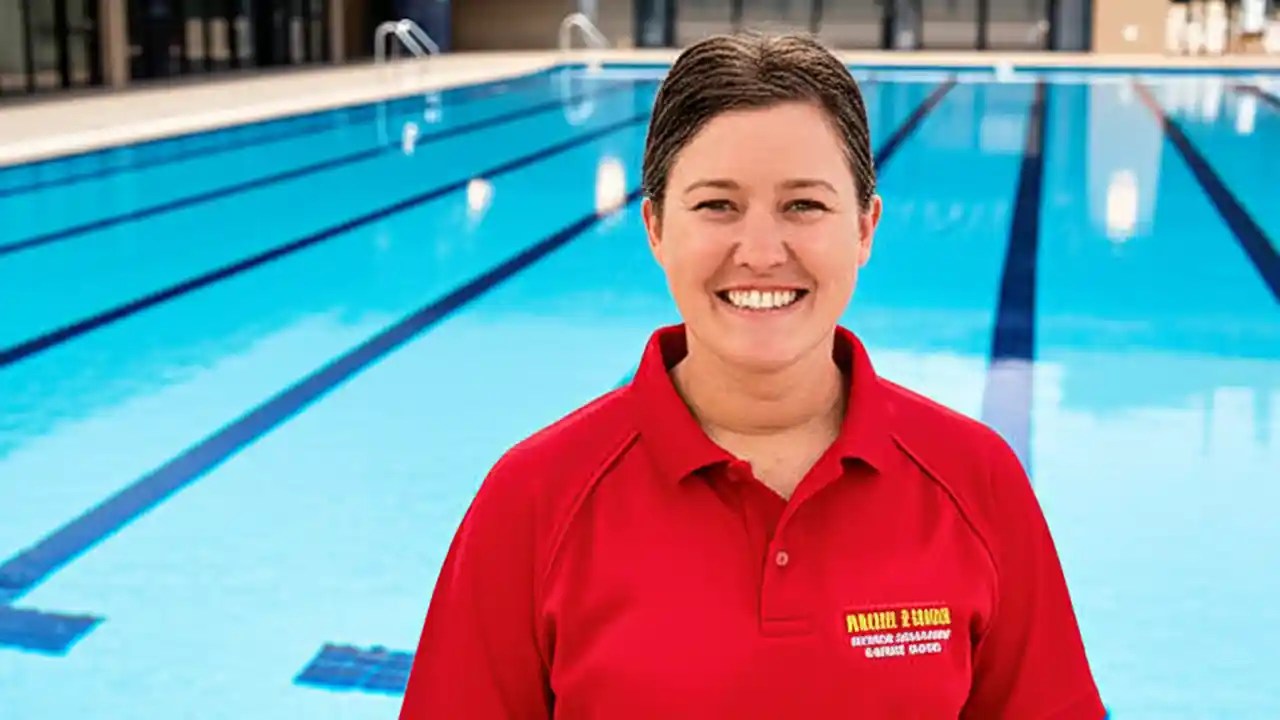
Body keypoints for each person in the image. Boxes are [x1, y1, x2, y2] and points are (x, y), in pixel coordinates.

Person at [399, 31, 1105, 719]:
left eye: (804, 205)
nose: (762, 252)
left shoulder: (975, 481)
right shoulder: (534, 502)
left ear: (864, 228)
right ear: (655, 228)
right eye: (716, 205)